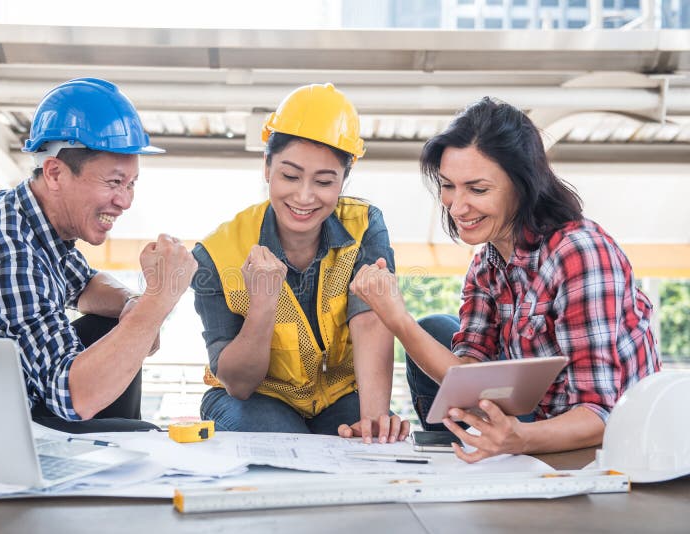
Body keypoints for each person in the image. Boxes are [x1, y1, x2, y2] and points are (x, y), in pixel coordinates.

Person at [350, 97, 660, 461]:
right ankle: (462, 458)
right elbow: (466, 379)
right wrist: (397, 319)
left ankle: (495, 450)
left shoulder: (580, 253)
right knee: (433, 329)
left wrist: (519, 438)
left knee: (434, 336)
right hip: (538, 415)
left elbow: (601, 415)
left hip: (604, 435)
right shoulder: (487, 264)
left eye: (478, 189)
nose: (456, 206)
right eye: (448, 186)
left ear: (522, 184)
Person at [0, 78, 197, 434]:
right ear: (54, 173)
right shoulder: (6, 253)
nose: (125, 201)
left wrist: (133, 306)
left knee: (111, 325)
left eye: (131, 184)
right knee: (139, 431)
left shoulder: (30, 217)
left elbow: (85, 284)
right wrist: (156, 302)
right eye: (114, 182)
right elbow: (73, 396)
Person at [191, 83, 409, 443]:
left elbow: (371, 319)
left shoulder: (364, 225)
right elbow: (239, 385)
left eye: (324, 181)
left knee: (363, 445)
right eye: (290, 176)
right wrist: (262, 306)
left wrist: (373, 420)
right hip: (253, 399)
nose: (304, 197)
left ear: (344, 180)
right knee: (284, 444)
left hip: (338, 397)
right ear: (267, 167)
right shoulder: (215, 254)